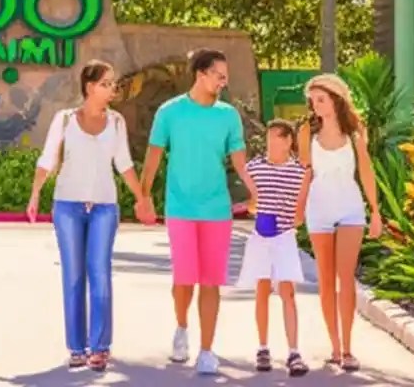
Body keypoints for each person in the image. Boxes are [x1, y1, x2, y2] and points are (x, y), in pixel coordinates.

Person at [27, 60, 154, 372]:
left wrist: (142, 199)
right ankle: (76, 348)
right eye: (106, 83)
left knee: (99, 274)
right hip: (67, 206)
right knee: (73, 276)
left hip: (104, 208)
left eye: (113, 83)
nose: (112, 89)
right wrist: (35, 194)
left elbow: (123, 164)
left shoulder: (117, 122)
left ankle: (100, 347)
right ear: (89, 86)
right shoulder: (66, 119)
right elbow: (48, 158)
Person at [138, 48, 257, 376]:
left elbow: (239, 162)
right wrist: (143, 197)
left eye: (226, 77)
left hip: (216, 210)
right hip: (180, 208)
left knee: (210, 281)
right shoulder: (170, 112)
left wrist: (254, 190)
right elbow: (153, 157)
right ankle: (181, 327)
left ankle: (206, 350)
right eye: (219, 76)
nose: (223, 82)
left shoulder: (228, 116)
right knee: (184, 279)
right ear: (200, 74)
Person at [296, 73, 382, 372]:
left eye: (321, 99)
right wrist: (296, 210)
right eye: (313, 101)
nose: (316, 105)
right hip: (318, 209)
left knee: (346, 278)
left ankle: (348, 348)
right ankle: (334, 346)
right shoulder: (307, 132)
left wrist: (375, 211)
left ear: (336, 99)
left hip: (350, 209)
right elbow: (305, 172)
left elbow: (367, 173)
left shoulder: (355, 133)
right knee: (325, 277)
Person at [236, 118, 310, 376]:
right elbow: (252, 203)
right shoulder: (254, 168)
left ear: (289, 141)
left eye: (278, 138)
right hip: (260, 237)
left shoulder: (300, 173)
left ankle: (294, 352)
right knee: (262, 290)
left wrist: (286, 218)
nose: (272, 144)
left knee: (288, 292)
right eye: (269, 138)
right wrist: (257, 210)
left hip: (285, 236)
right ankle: (263, 348)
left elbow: (300, 214)